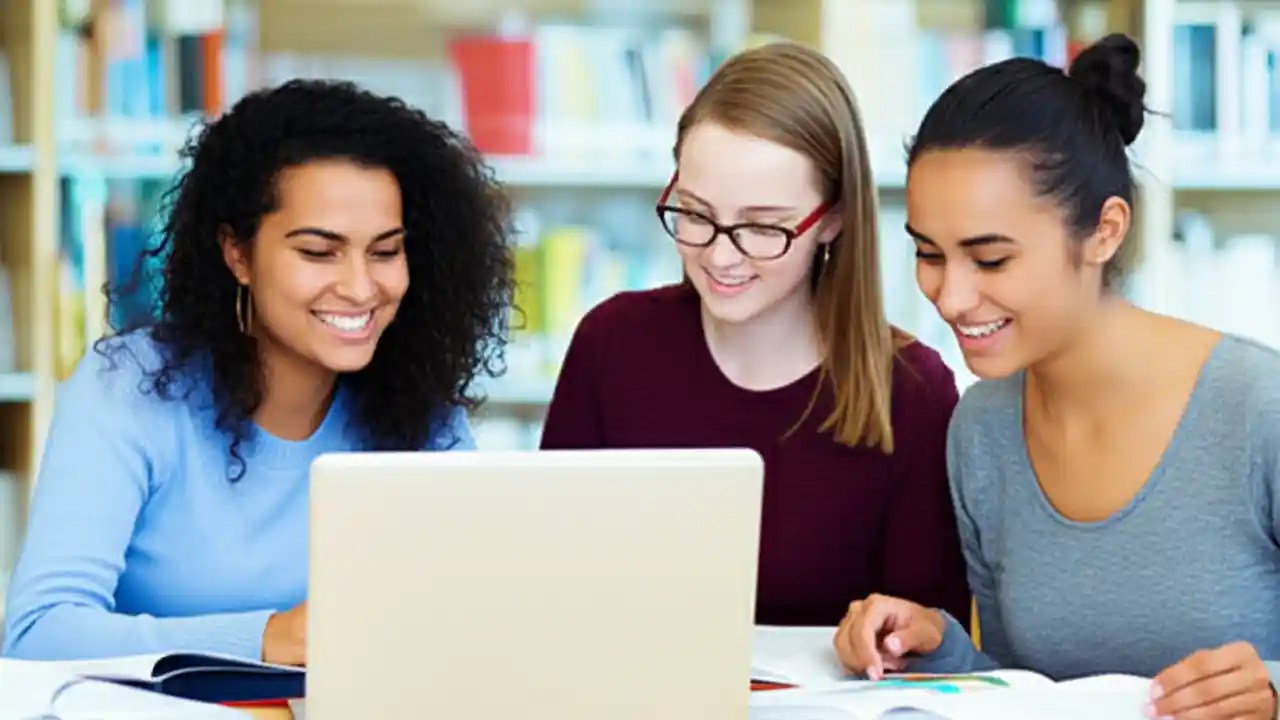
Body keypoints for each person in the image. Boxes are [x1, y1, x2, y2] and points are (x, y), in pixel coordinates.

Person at [833, 33, 1280, 720]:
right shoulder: (980, 431)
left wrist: (1275, 692)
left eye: (989, 259)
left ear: (1103, 231)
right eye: (928, 253)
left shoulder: (1258, 409)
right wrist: (934, 648)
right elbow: (1030, 691)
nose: (949, 298)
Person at [3, 79, 514, 664]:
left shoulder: (425, 420)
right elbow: (39, 635)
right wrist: (271, 637)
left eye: (384, 251)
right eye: (318, 252)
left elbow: (468, 625)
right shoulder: (129, 387)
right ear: (238, 254)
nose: (359, 287)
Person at [539, 41, 970, 629]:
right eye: (694, 213)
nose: (719, 254)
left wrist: (896, 639)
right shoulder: (612, 344)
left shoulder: (912, 393)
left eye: (762, 227)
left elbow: (930, 648)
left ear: (834, 219)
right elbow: (550, 573)